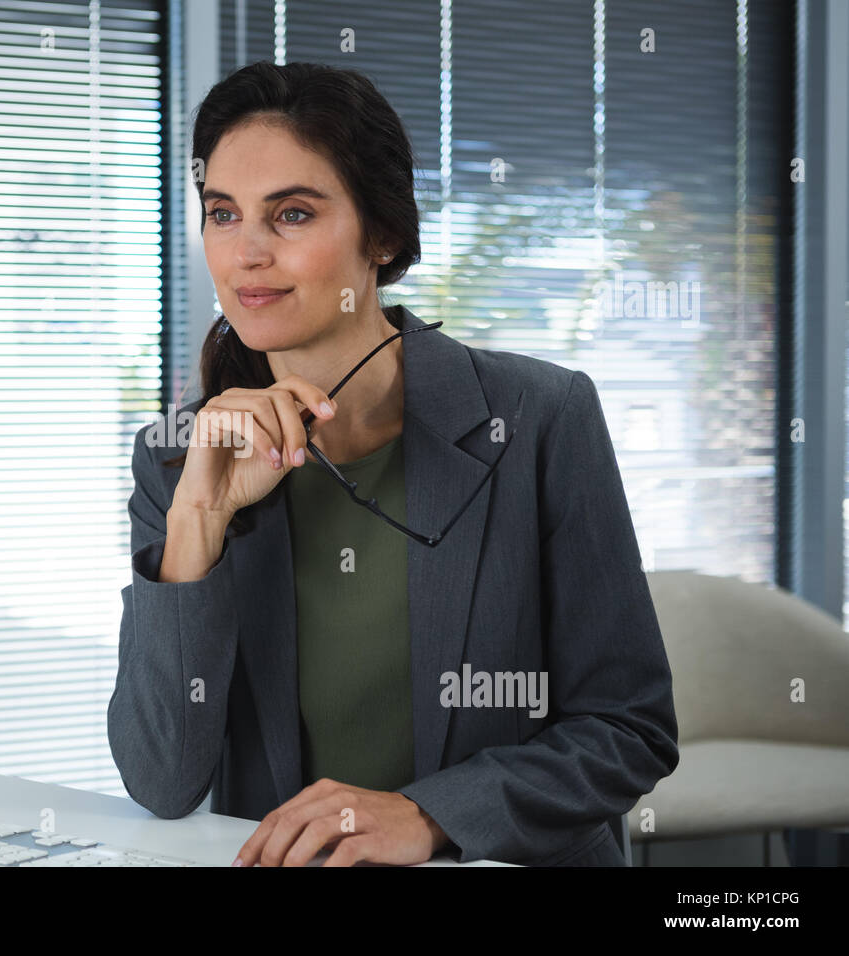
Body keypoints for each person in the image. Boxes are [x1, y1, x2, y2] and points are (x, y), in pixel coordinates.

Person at [107, 61, 679, 867]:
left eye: (293, 213)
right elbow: (162, 781)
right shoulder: (178, 456)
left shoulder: (540, 418)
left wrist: (430, 815)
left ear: (383, 235)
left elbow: (630, 731)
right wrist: (197, 523)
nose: (247, 253)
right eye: (223, 214)